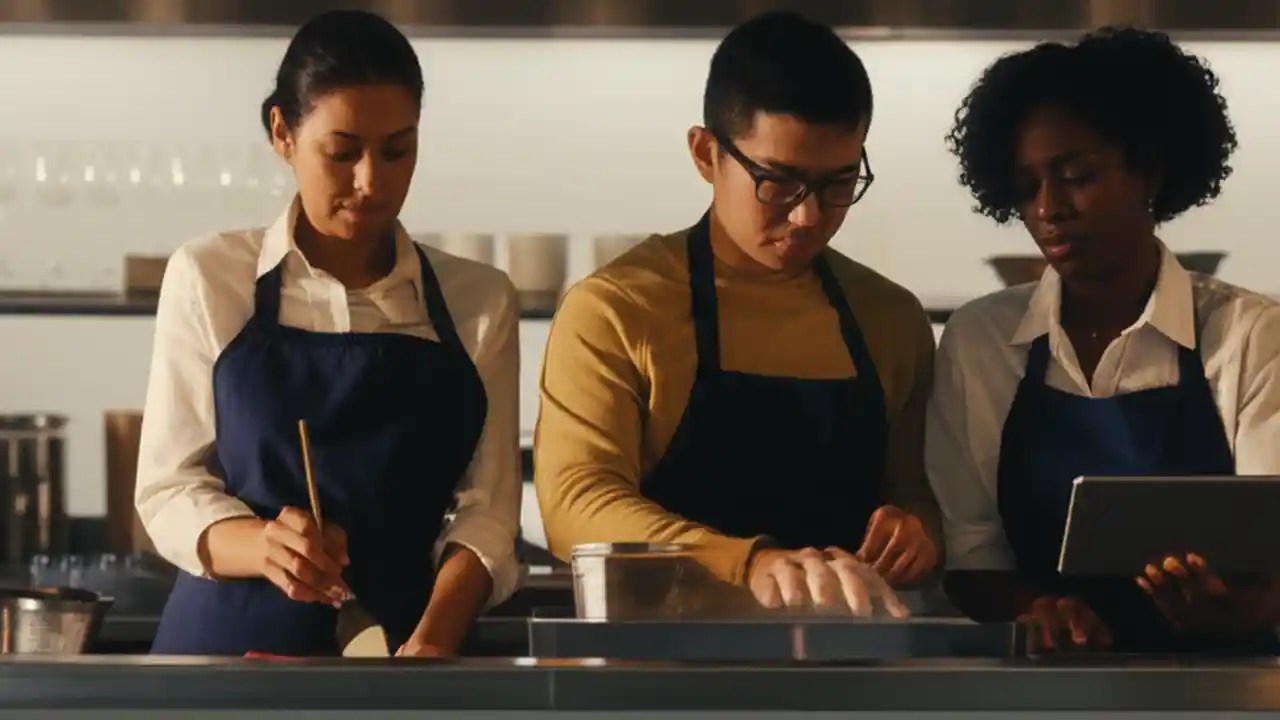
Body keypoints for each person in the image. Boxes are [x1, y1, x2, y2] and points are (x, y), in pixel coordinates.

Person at [135, 10, 521, 657]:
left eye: (398, 150)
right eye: (343, 153)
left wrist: (431, 644)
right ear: (282, 134)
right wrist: (260, 545)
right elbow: (168, 489)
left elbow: (489, 512)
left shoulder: (478, 300)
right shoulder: (210, 278)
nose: (371, 181)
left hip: (412, 651)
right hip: (225, 656)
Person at [534, 11, 941, 614]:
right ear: (705, 154)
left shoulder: (892, 320)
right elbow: (578, 505)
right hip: (655, 674)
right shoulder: (619, 308)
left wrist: (920, 536)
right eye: (778, 182)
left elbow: (918, 495)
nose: (808, 216)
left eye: (838, 183)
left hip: (849, 674)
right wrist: (750, 562)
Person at [929, 26, 1280, 652]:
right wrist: (1036, 610)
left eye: (1075, 175)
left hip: (1226, 687)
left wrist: (1241, 613)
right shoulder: (980, 340)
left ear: (1149, 168)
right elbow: (972, 558)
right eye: (1027, 185)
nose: (1048, 208)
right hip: (1039, 691)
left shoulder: (1249, 336)